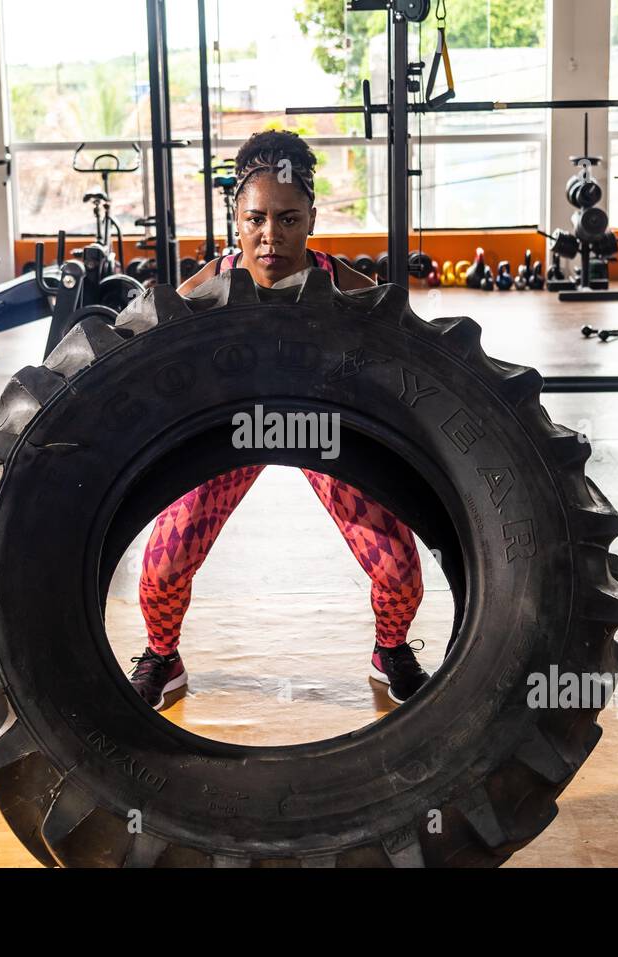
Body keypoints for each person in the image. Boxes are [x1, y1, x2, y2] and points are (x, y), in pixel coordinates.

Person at [128, 130, 430, 711]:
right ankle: (162, 655)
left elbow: (414, 362)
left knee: (397, 566)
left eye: (289, 219)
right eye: (257, 219)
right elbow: (136, 355)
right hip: (230, 432)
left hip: (323, 429)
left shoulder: (344, 284)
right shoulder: (208, 285)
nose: (272, 237)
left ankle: (390, 649)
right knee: (164, 563)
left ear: (311, 218)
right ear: (236, 219)